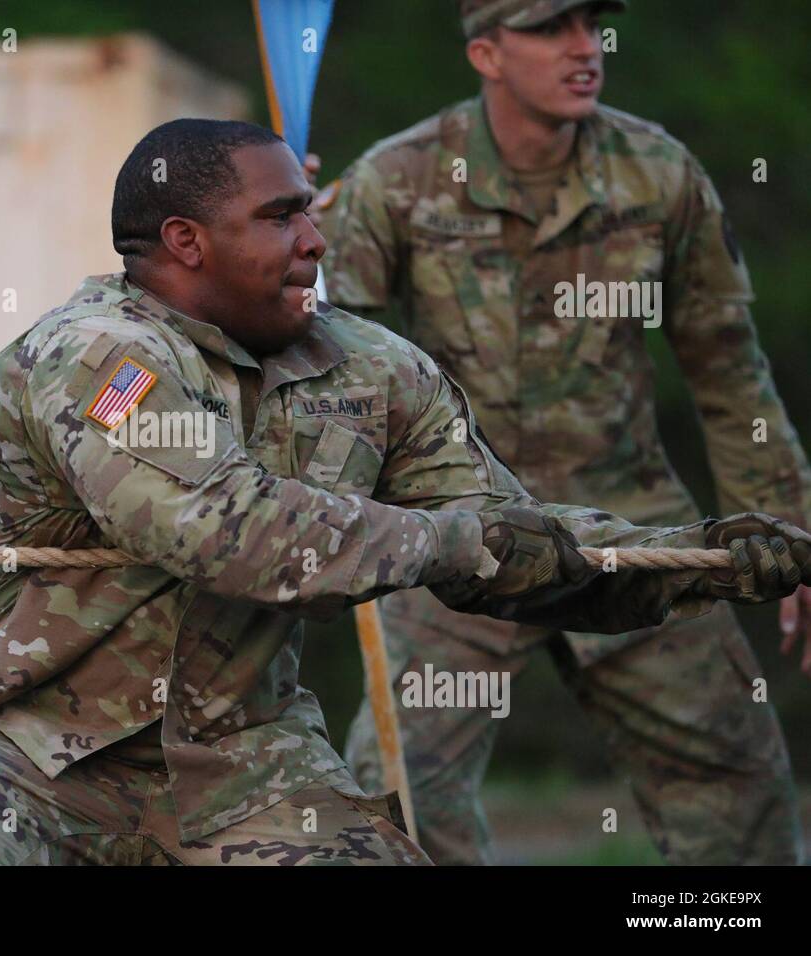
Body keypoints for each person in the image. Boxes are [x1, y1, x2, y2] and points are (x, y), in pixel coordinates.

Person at [0, 118, 811, 866]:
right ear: (184, 240)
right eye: (280, 215)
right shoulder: (96, 357)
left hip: (249, 762)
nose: (314, 236)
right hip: (33, 746)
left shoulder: (375, 370)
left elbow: (516, 549)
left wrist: (708, 559)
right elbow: (225, 529)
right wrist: (461, 541)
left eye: (308, 209)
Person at [317, 0, 811, 864]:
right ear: (486, 53)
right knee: (397, 797)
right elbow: (327, 354)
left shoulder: (657, 173)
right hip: (463, 530)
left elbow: (728, 371)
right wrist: (292, 236)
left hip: (636, 524)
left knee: (741, 801)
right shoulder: (396, 180)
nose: (586, 47)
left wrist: (792, 530)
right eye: (551, 29)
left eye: (592, 24)